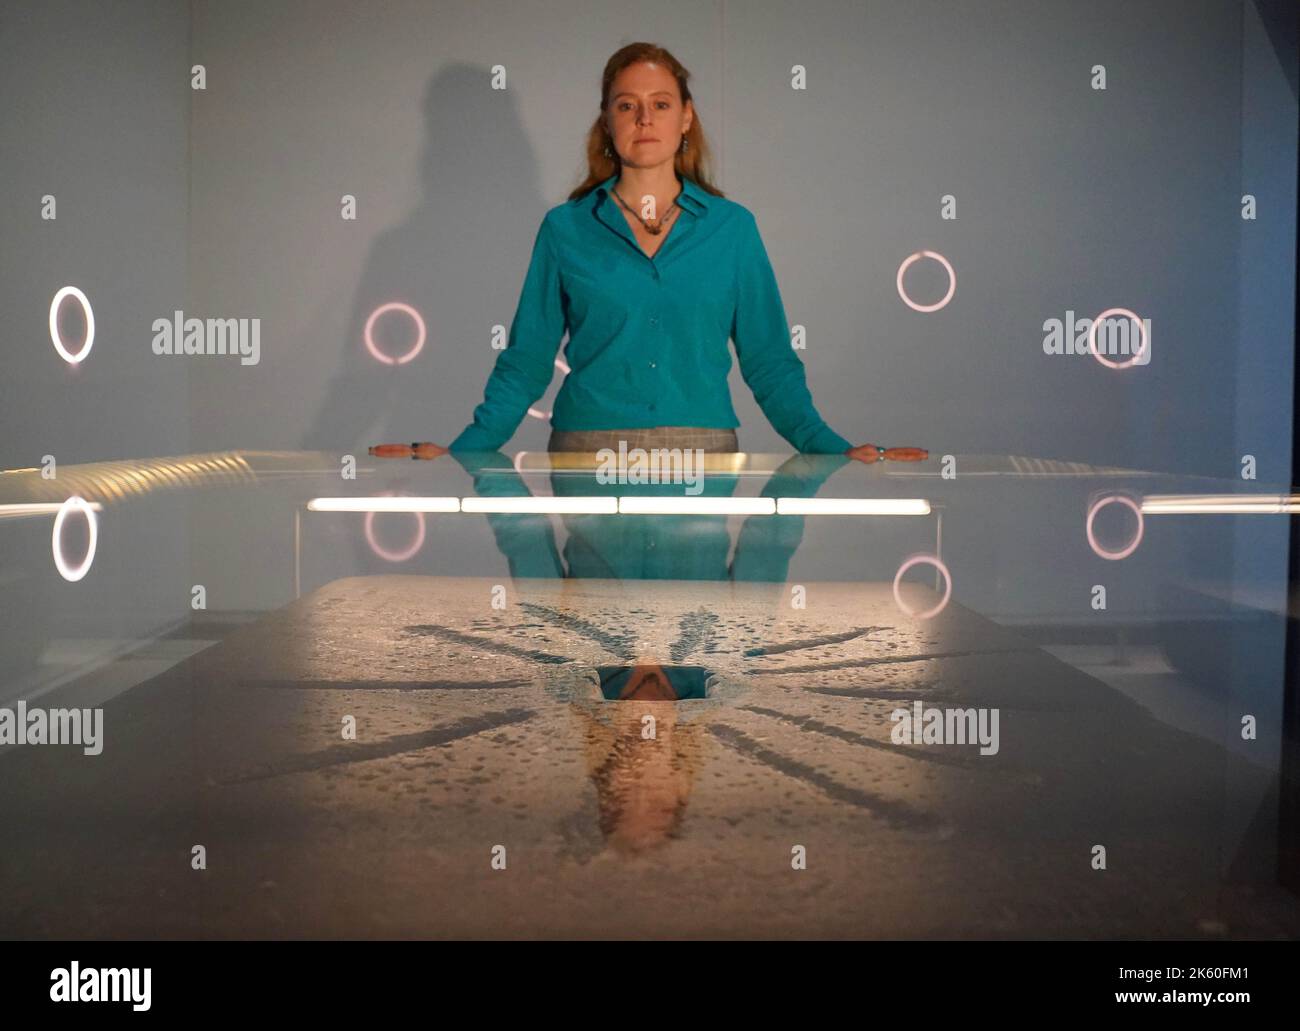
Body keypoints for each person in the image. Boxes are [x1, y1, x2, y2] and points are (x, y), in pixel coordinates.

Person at [420, 42, 926, 465]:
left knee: (701, 590)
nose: (644, 118)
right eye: (626, 105)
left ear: (686, 117)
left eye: (661, 104)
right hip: (588, 451)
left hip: (702, 450)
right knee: (585, 591)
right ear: (607, 122)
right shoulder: (565, 229)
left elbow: (769, 361)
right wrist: (462, 453)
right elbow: (527, 361)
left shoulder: (732, 229)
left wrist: (834, 450)